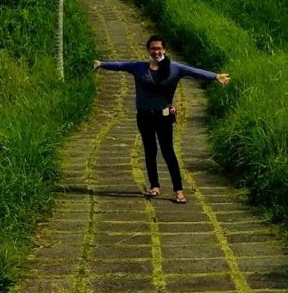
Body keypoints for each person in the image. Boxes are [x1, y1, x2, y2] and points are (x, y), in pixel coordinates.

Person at [94, 36, 230, 204]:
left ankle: (178, 191)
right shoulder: (139, 68)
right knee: (149, 150)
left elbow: (194, 71)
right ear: (148, 50)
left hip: (163, 116)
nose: (156, 51)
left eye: (159, 48)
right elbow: (120, 65)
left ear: (164, 50)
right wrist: (101, 64)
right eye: (153, 49)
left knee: (168, 152)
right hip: (144, 116)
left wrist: (215, 76)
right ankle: (154, 186)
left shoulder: (174, 69)